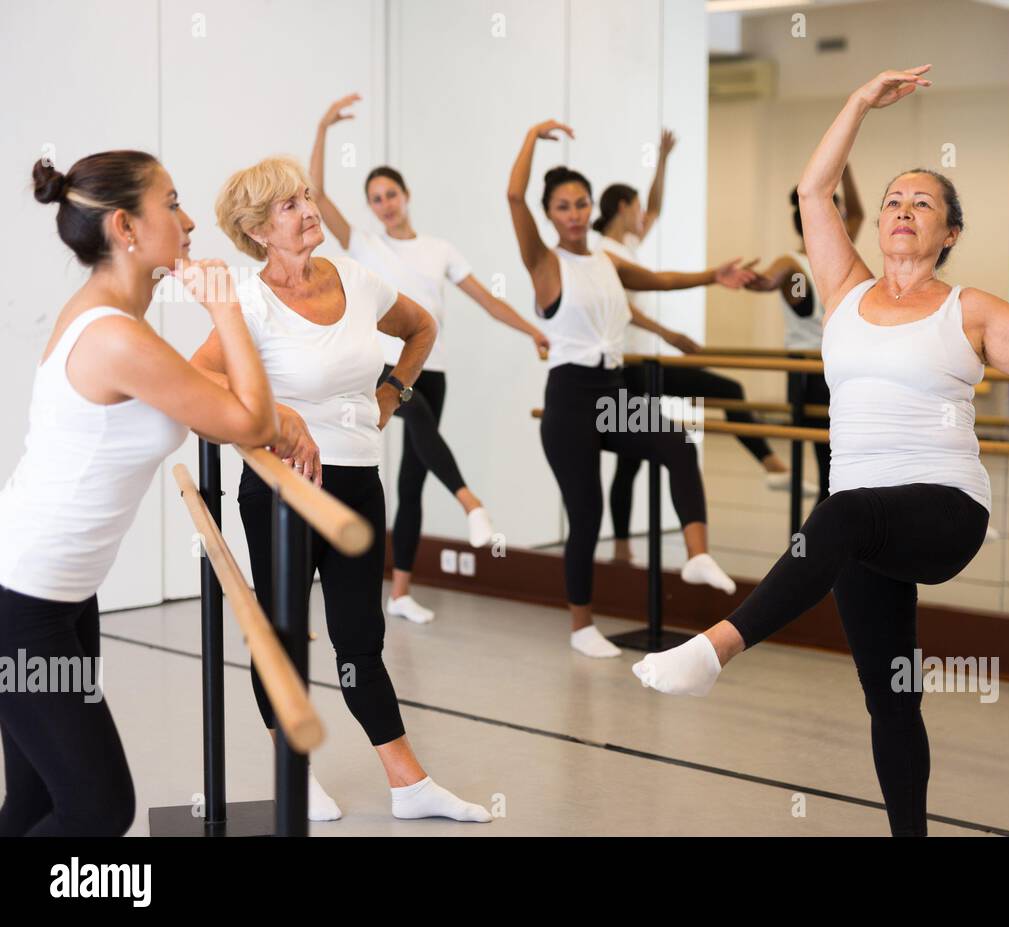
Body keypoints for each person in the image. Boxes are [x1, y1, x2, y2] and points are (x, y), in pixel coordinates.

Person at [633, 65, 1009, 836]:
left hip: (944, 510)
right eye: (893, 199)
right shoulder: (844, 291)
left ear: (948, 232)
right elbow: (815, 190)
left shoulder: (969, 309)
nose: (902, 210)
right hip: (857, 521)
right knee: (891, 696)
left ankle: (713, 651)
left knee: (843, 515)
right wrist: (858, 101)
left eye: (923, 202)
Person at [193, 155, 490, 824]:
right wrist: (272, 423)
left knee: (361, 639)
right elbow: (198, 380)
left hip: (359, 481)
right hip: (281, 490)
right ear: (259, 229)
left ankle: (408, 782)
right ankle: (290, 769)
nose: (309, 211)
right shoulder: (249, 299)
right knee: (284, 636)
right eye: (291, 206)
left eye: (307, 198)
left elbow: (421, 328)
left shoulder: (355, 279)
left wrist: (394, 394)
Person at [0, 150, 278, 835]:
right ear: (125, 226)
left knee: (37, 802)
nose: (189, 222)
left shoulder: (116, 319)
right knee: (97, 809)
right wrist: (225, 307)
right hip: (22, 609)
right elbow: (250, 420)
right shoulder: (114, 335)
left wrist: (280, 414)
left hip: (61, 598)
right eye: (173, 203)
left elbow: (195, 394)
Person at [508, 119, 757, 659]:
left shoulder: (606, 260)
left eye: (580, 204)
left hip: (613, 392)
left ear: (591, 207)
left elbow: (660, 280)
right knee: (587, 513)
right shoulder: (545, 264)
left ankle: (696, 555)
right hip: (571, 400)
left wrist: (715, 275)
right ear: (550, 214)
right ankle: (581, 625)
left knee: (677, 444)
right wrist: (532, 136)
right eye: (562, 206)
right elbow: (512, 194)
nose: (573, 214)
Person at [311, 94, 550, 623]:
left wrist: (531, 327)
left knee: (412, 482)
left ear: (406, 195)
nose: (384, 204)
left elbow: (486, 300)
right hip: (383, 366)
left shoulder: (439, 248)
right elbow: (319, 193)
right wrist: (325, 127)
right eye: (375, 198)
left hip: (431, 369)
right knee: (413, 414)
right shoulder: (363, 243)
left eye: (390, 194)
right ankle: (472, 504)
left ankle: (400, 594)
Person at [595, 130, 810, 565]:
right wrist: (668, 334)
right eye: (635, 207)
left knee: (726, 388)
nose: (644, 215)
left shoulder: (628, 242)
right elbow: (622, 306)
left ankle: (771, 466)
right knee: (632, 463)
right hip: (628, 365)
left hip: (649, 361)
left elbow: (655, 206)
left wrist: (662, 159)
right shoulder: (601, 251)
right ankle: (620, 547)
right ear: (622, 207)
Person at [747, 165, 866, 503]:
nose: (845, 222)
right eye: (837, 215)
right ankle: (820, 541)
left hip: (837, 368)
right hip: (808, 373)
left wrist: (842, 167)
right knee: (828, 461)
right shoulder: (792, 261)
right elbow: (770, 279)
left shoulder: (836, 256)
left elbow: (858, 212)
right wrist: (753, 280)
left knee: (840, 462)